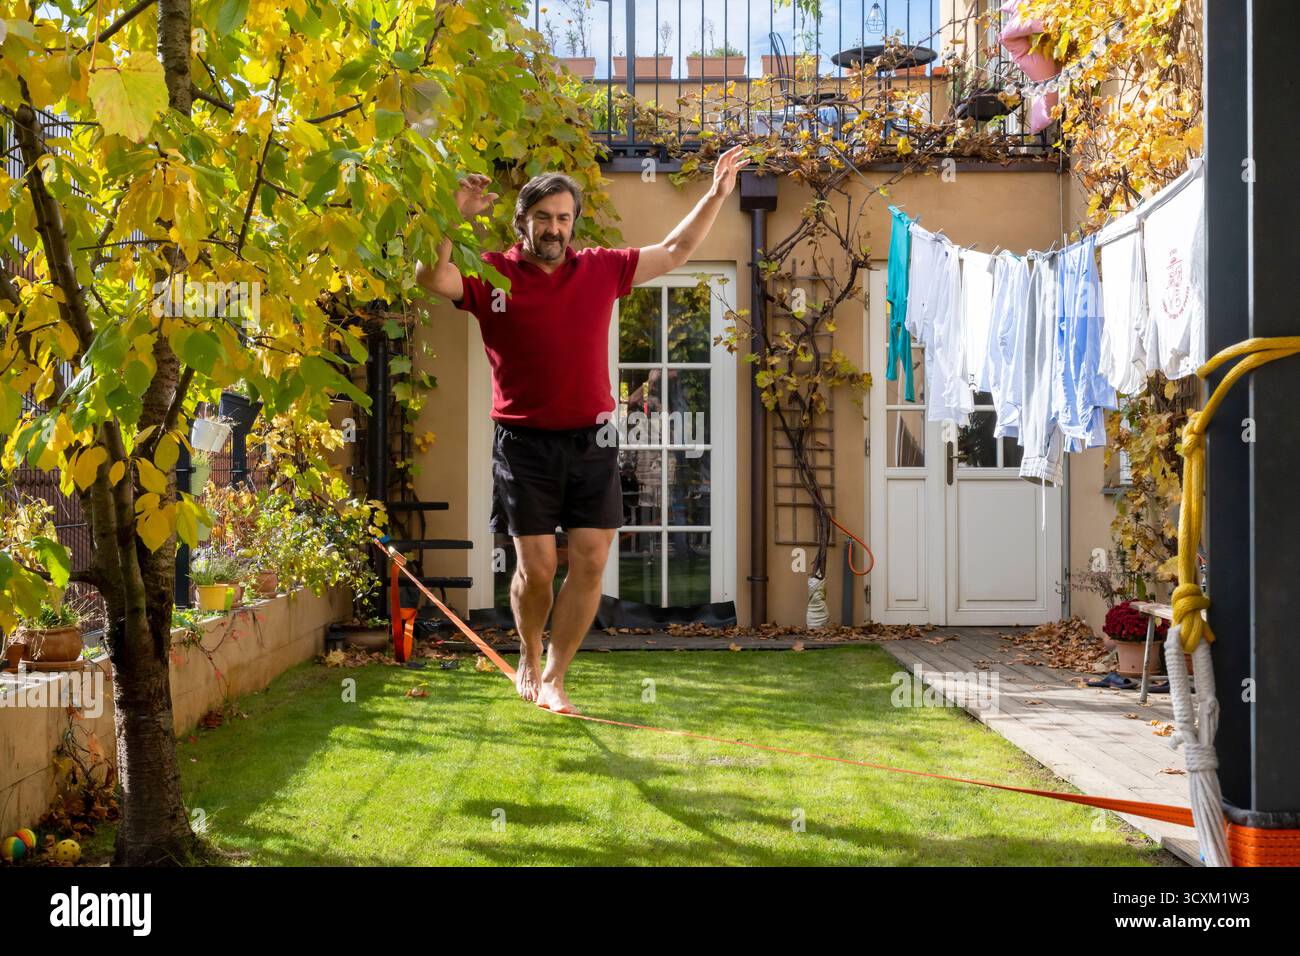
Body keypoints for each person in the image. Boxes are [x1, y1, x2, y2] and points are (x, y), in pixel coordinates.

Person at [415, 145, 750, 713]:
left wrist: (715, 194)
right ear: (523, 221)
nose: (554, 228)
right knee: (539, 568)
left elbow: (675, 249)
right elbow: (432, 276)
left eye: (563, 217)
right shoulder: (492, 272)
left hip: (593, 441)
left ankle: (555, 675)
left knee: (591, 560)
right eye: (543, 217)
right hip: (523, 445)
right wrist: (453, 215)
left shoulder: (599, 269)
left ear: (573, 222)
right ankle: (526, 647)